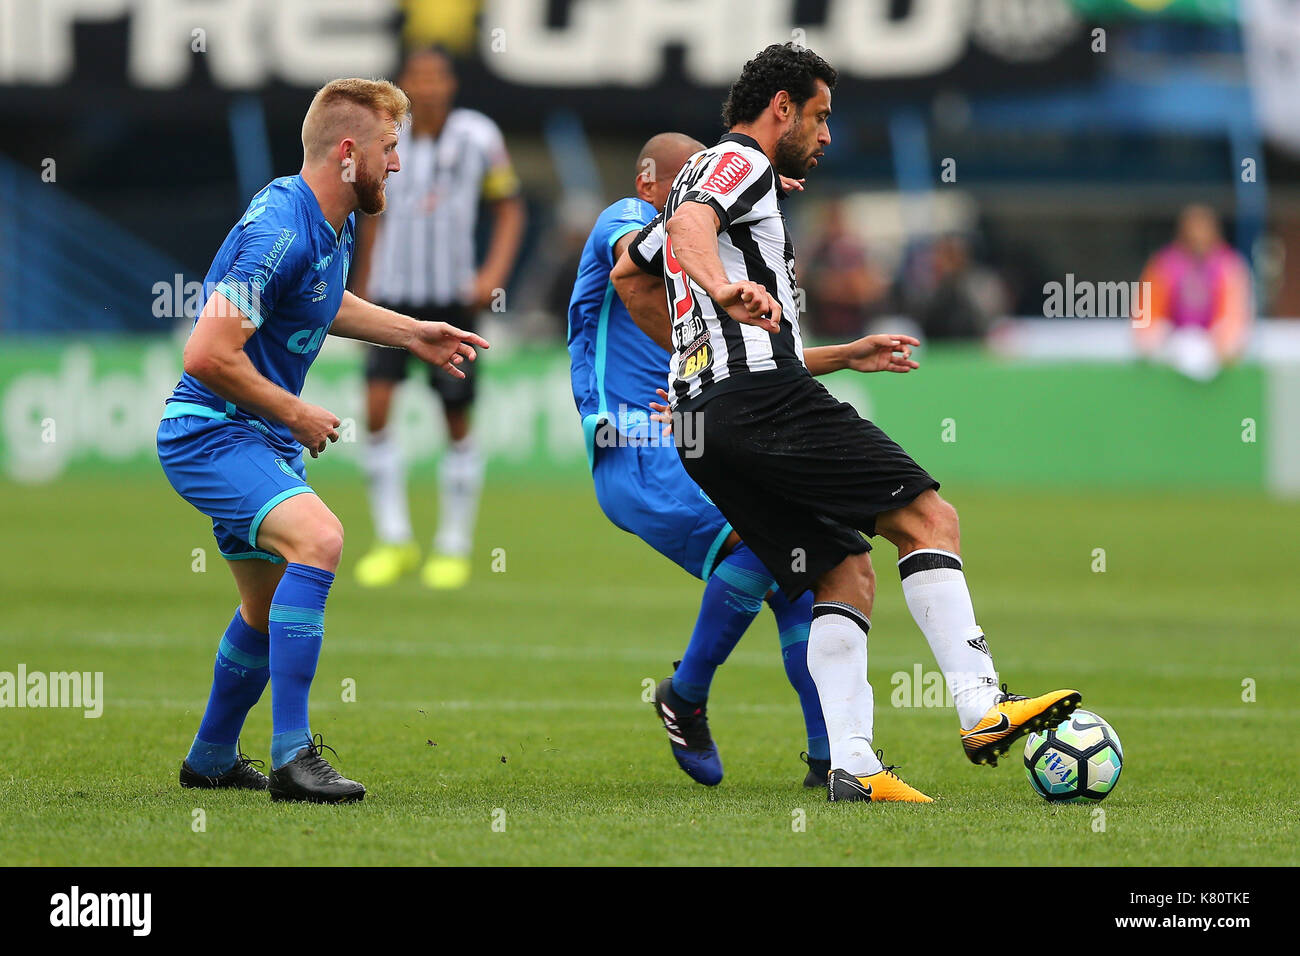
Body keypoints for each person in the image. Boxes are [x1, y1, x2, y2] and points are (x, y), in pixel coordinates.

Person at [613, 42, 1080, 803]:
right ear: (781, 109)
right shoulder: (736, 163)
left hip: (707, 419)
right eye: (821, 116)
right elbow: (694, 233)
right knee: (929, 517)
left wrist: (828, 350)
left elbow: (633, 270)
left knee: (843, 573)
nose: (827, 136)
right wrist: (721, 290)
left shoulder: (710, 182)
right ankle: (981, 705)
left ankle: (853, 764)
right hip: (762, 402)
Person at [157, 78, 487, 803]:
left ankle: (211, 757)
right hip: (211, 433)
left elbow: (321, 299)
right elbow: (207, 354)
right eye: (389, 149)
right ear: (348, 152)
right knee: (322, 540)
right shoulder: (278, 229)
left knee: (262, 608)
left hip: (251, 435)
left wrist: (412, 331)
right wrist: (295, 413)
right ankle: (293, 757)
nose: (397, 164)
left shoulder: (324, 221)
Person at [570, 132, 829, 787]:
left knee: (801, 575)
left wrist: (848, 353)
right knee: (761, 548)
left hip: (684, 442)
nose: (701, 192)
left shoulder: (698, 264)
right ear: (651, 181)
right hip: (627, 442)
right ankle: (684, 695)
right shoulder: (625, 220)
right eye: (689, 178)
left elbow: (760, 348)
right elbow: (639, 257)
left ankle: (830, 756)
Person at [349, 47, 525, 590]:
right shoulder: (383, 135)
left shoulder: (478, 136)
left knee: (456, 418)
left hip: (452, 300)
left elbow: (510, 207)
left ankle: (452, 545)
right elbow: (370, 210)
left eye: (435, 77)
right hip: (390, 299)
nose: (426, 87)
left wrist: (491, 274)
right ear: (402, 83)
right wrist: (361, 281)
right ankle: (394, 539)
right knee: (376, 410)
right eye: (416, 77)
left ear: (450, 83)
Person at [1134, 204, 1252, 381]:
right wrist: (1171, 346)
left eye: (1203, 229)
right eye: (1192, 230)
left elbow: (1236, 317)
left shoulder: (1229, 267)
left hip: (1215, 352)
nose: (1198, 235)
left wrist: (1215, 348)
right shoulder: (1163, 265)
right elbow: (1145, 316)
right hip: (1172, 349)